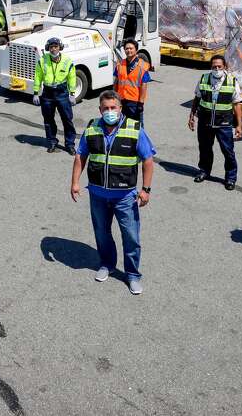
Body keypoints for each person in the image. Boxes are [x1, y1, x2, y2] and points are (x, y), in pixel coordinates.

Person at [70, 91, 155, 296]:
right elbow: (81, 156)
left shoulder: (134, 129)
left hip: (125, 197)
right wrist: (74, 183)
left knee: (131, 236)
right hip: (98, 195)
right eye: (105, 108)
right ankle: (107, 264)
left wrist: (146, 189)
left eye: (113, 107)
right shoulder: (92, 128)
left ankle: (133, 274)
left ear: (120, 108)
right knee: (102, 232)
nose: (109, 111)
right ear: (100, 110)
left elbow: (148, 160)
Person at [188, 54, 242, 190]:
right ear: (210, 67)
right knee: (204, 148)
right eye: (214, 66)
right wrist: (191, 115)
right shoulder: (204, 78)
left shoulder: (232, 81)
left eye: (219, 66)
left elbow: (237, 104)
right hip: (205, 122)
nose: (217, 69)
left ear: (225, 67)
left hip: (223, 123)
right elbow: (197, 98)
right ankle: (204, 171)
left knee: (228, 151)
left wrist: (239, 125)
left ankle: (230, 178)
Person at [33, 37, 77, 154]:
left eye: (56, 47)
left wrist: (72, 94)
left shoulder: (67, 61)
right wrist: (36, 93)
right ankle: (52, 142)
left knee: (67, 119)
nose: (53, 49)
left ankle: (70, 144)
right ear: (48, 48)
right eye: (51, 47)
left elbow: (72, 78)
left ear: (60, 47)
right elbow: (38, 77)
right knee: (48, 120)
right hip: (47, 93)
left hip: (62, 92)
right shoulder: (42, 61)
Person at [113, 40, 151, 125]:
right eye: (126, 48)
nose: (128, 50)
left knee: (137, 126)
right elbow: (116, 82)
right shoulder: (120, 64)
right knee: (121, 124)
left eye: (131, 48)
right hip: (121, 100)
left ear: (136, 50)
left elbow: (144, 85)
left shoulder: (142, 65)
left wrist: (141, 103)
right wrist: (114, 97)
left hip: (134, 102)